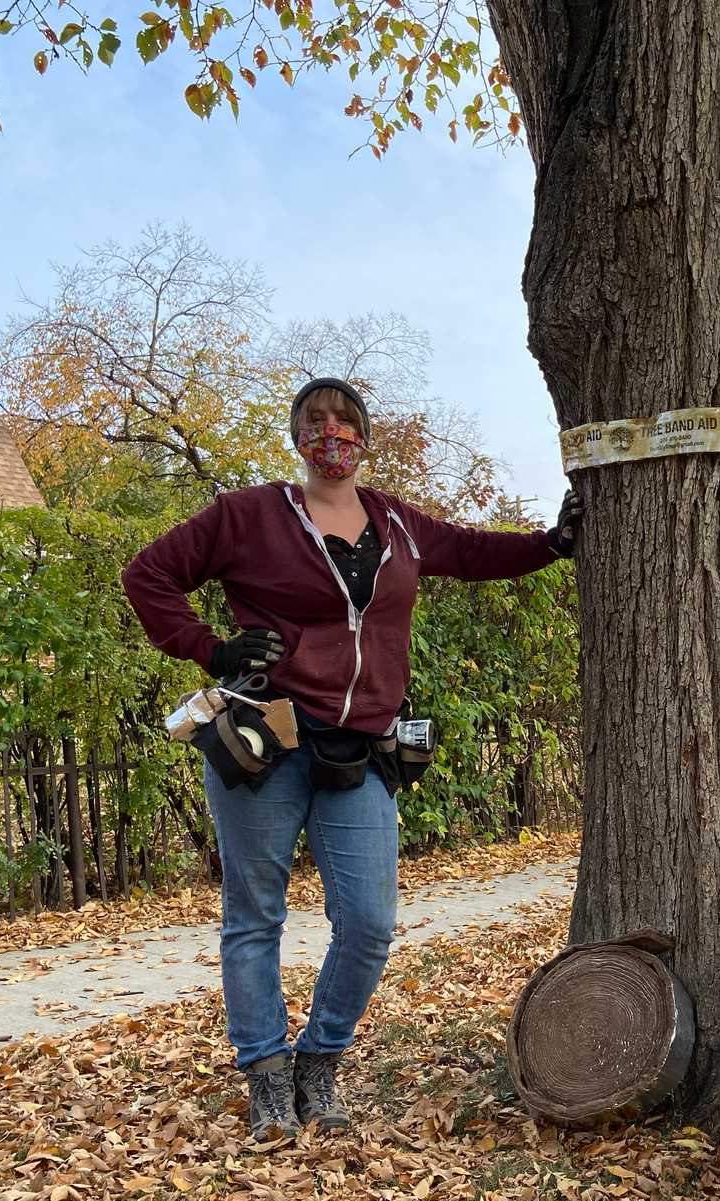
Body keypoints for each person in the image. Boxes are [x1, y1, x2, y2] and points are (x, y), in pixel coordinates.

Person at [123, 376, 582, 1142]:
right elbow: (148, 576)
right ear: (295, 437)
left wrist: (551, 545)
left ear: (365, 436)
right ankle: (266, 1076)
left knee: (368, 922)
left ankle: (320, 1060)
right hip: (265, 739)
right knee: (254, 916)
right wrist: (211, 647)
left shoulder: (396, 523)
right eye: (314, 421)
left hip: (361, 749)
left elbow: (470, 553)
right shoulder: (249, 515)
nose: (329, 432)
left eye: (343, 420)